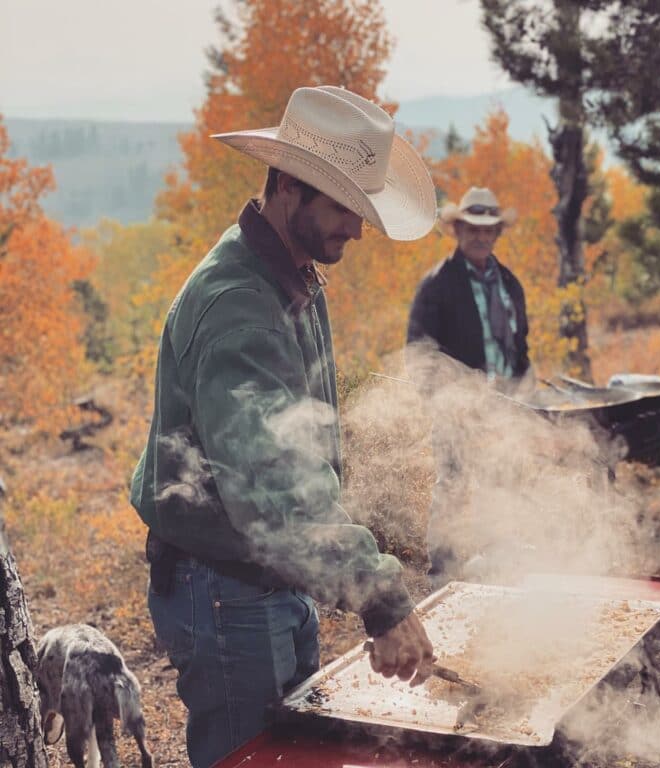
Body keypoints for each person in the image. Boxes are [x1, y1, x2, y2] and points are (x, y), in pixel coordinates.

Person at [130, 85, 436, 768]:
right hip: (225, 592)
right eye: (344, 209)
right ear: (290, 186)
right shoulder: (239, 304)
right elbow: (274, 481)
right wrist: (378, 594)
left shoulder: (285, 272)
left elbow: (301, 445)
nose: (357, 230)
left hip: (264, 580)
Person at [406, 187, 532, 586]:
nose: (480, 236)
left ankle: (498, 562)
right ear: (458, 230)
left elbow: (519, 346)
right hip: (456, 407)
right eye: (472, 228)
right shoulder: (438, 285)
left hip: (505, 406)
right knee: (454, 486)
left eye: (488, 229)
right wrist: (446, 400)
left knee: (504, 483)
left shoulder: (510, 284)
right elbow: (419, 354)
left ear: (497, 233)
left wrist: (524, 394)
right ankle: (441, 572)